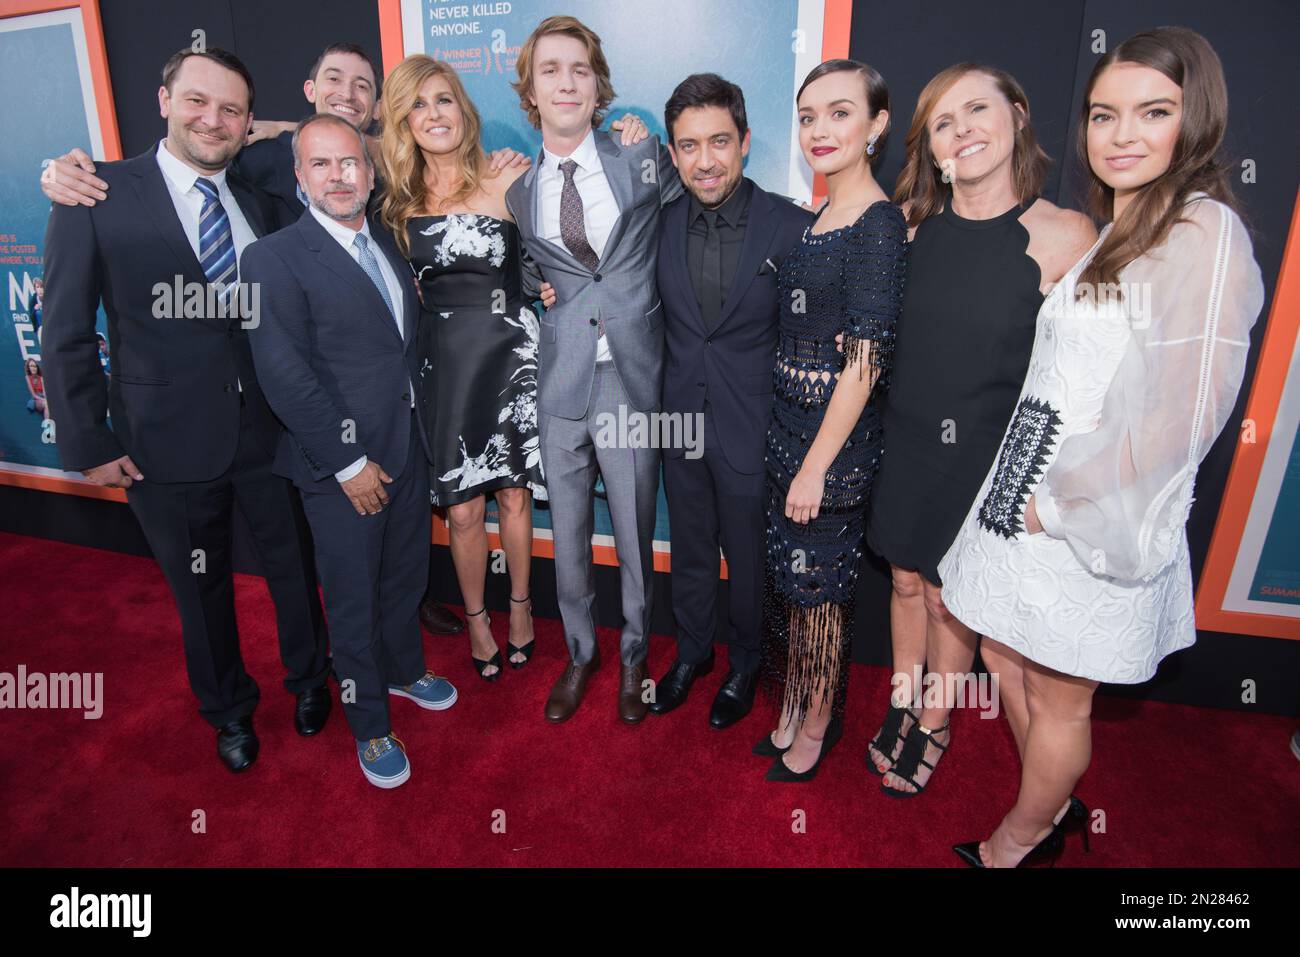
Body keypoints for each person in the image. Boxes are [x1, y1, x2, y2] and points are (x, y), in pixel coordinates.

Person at [36, 41, 512, 640]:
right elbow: (70, 323)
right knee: (215, 584)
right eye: (334, 79)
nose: (348, 93)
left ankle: (330, 670)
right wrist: (58, 171)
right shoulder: (247, 165)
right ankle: (245, 708)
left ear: (377, 108)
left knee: (298, 565)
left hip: (286, 422)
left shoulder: (390, 174)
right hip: (194, 422)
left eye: (364, 86)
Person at [941, 26, 1264, 866]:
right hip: (1021, 496)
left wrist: (1059, 506)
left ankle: (1022, 836)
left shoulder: (1203, 233)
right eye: (1102, 114)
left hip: (1084, 516)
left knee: (1057, 695)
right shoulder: (1123, 227)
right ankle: (1049, 797)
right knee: (996, 649)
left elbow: (1180, 420)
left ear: (1194, 120)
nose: (1120, 136)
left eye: (1151, 113)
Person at [40, 48, 332, 773]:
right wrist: (88, 439)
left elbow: (324, 147)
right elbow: (66, 329)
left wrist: (265, 127)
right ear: (164, 99)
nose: (214, 119)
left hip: (269, 430)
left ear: (248, 123)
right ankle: (228, 709)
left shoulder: (263, 201)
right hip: (160, 440)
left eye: (232, 109)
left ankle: (309, 678)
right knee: (199, 587)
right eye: (199, 101)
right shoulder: (95, 192)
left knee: (294, 564)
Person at [864, 64, 1096, 797]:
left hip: (988, 458)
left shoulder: (1065, 234)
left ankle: (935, 717)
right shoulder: (909, 226)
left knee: (947, 597)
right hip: (904, 437)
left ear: (1018, 116)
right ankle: (905, 697)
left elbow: (1084, 372)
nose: (962, 129)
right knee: (903, 579)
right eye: (943, 122)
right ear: (929, 146)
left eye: (977, 110)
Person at [378, 54, 642, 681]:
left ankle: (520, 609)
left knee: (515, 497)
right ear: (402, 123)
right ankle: (476, 619)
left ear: (463, 109)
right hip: (445, 369)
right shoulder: (394, 205)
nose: (433, 114)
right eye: (418, 105)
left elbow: (557, 263)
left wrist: (631, 137)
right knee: (464, 511)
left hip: (513, 359)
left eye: (443, 99)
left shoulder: (509, 180)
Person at [243, 112, 457, 789]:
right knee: (353, 597)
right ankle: (368, 724)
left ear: (369, 173)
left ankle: (401, 669)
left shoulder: (390, 244)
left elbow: (401, 350)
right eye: (322, 165)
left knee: (403, 575)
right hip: (341, 466)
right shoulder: (270, 259)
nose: (339, 176)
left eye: (350, 163)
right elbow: (283, 373)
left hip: (407, 447)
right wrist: (347, 463)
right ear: (301, 178)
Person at [504, 16, 684, 723]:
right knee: (569, 534)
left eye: (579, 68)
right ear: (532, 90)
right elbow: (525, 270)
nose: (567, 81)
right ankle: (581, 652)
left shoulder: (643, 159)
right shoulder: (519, 192)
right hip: (561, 380)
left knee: (636, 532)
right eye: (551, 69)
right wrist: (536, 288)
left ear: (597, 84)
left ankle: (636, 654)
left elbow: (697, 221)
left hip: (631, 378)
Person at [757, 59, 906, 781]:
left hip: (830, 451)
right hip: (788, 433)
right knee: (791, 584)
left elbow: (865, 362)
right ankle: (795, 700)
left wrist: (816, 465)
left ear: (877, 126)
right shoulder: (824, 213)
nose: (820, 129)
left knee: (817, 592)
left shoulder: (876, 224)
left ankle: (818, 721)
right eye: (809, 115)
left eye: (840, 113)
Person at [651, 73, 813, 729]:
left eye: (719, 141)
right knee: (689, 548)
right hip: (679, 420)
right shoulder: (655, 227)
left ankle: (746, 661)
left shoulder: (793, 227)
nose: (705, 159)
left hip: (753, 427)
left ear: (745, 142)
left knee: (748, 561)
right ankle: (693, 652)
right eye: (688, 146)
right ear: (673, 154)